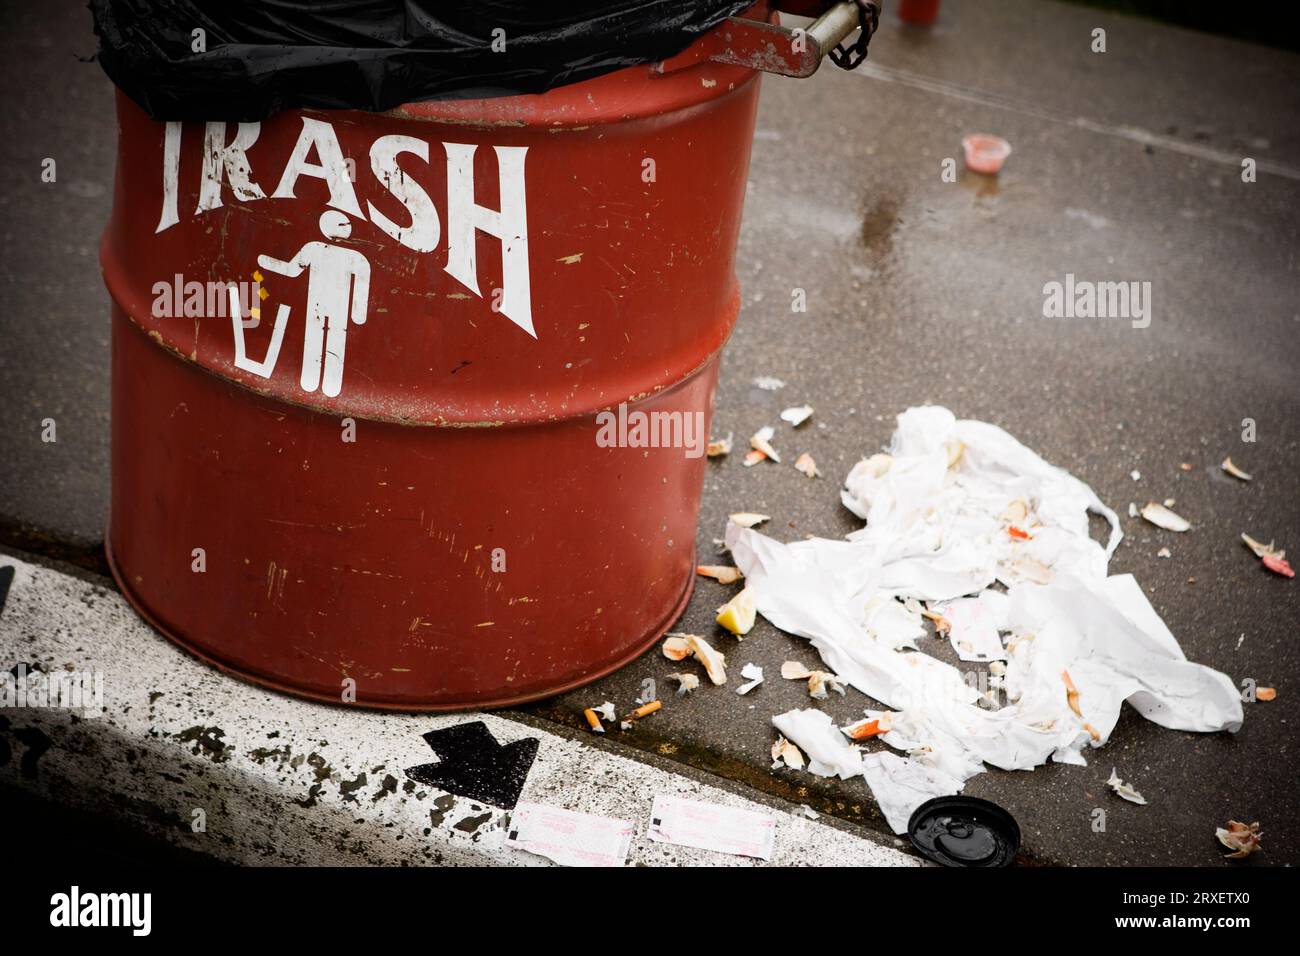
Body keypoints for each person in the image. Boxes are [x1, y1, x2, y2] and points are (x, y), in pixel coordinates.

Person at [257, 210, 370, 398]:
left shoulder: (316, 249)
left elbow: (291, 270)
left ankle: (313, 383)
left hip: (322, 304)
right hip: (330, 306)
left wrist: (266, 262)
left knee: (319, 338)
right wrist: (358, 315)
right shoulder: (353, 256)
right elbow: (362, 287)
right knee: (330, 339)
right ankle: (326, 386)